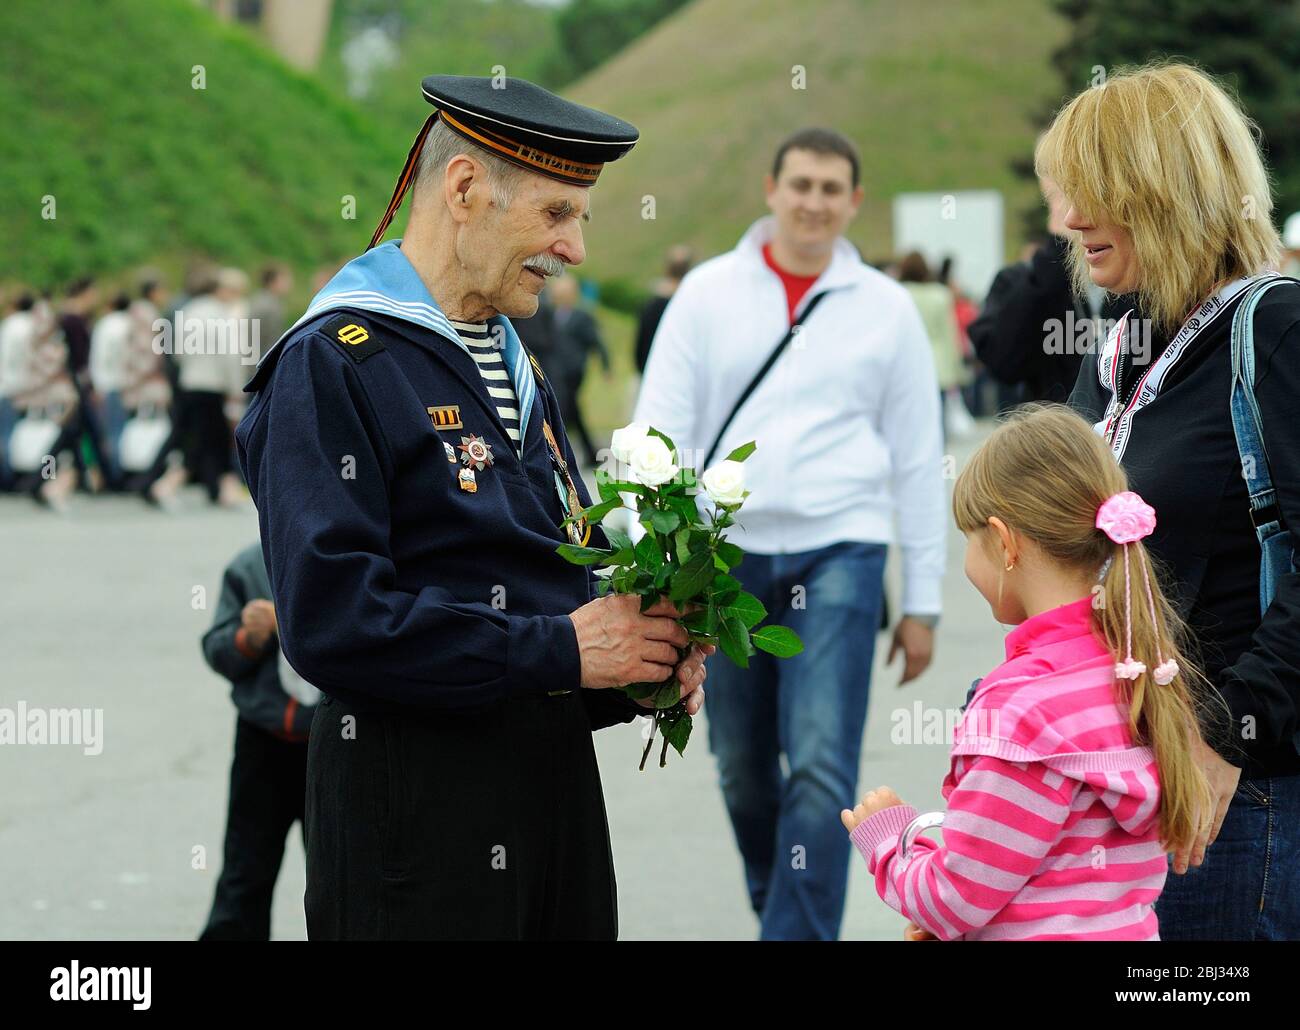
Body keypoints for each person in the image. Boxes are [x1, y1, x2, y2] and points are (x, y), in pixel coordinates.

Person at [236, 74, 710, 940]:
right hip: (415, 828)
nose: (574, 250)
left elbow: (545, 595)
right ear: (463, 191)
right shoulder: (334, 361)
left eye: (581, 220)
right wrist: (563, 647)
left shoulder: (514, 360)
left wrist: (633, 662)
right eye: (556, 213)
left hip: (550, 808)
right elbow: (334, 623)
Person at [633, 126, 945, 941]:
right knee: (740, 769)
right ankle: (784, 909)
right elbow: (657, 432)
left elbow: (917, 458)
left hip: (842, 549)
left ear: (854, 202)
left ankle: (793, 934)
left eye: (831, 188)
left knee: (818, 765)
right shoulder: (704, 295)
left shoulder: (886, 310)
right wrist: (655, 562)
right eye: (800, 184)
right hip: (723, 562)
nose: (813, 202)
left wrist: (925, 601)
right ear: (771, 190)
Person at [1039, 61, 1300, 940]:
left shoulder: (1275, 328)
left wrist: (1230, 737)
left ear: (1168, 189)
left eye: (1096, 192)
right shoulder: (1121, 348)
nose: (1073, 220)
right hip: (1119, 775)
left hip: (1234, 790)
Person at [844, 405, 1212, 940]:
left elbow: (952, 901)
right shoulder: (1139, 669)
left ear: (1004, 542)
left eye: (969, 538)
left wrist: (892, 839)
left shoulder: (1019, 708)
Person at [199, 543, 317, 941]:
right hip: (261, 740)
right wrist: (248, 638)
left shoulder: (347, 555)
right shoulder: (248, 566)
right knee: (245, 868)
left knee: (336, 873)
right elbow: (217, 651)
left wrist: (286, 622)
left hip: (331, 744)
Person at [968, 176, 1129, 404]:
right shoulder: (1018, 281)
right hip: (1055, 432)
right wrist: (1058, 247)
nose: (1076, 215)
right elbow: (1004, 361)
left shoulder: (1133, 276)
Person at [896, 250, 972, 439]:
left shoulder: (898, 294)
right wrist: (957, 368)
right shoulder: (940, 295)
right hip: (938, 365)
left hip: (908, 365)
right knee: (937, 423)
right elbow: (949, 334)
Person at [540, 272, 609, 465]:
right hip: (556, 370)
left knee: (564, 409)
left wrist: (605, 366)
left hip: (574, 371)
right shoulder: (550, 314)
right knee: (571, 411)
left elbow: (596, 342)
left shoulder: (582, 316)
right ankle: (589, 451)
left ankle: (559, 454)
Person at [89, 293, 134, 489]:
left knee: (110, 434)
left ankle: (111, 477)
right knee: (125, 433)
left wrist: (97, 385)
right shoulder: (132, 324)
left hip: (108, 385)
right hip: (129, 386)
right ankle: (124, 475)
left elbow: (98, 357)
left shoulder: (104, 325)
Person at [634, 244, 693, 372]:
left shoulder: (651, 304)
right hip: (678, 373)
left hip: (648, 372)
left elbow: (640, 345)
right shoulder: (691, 306)